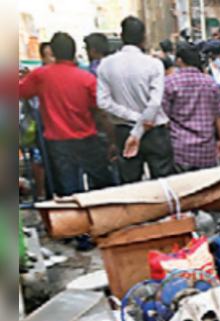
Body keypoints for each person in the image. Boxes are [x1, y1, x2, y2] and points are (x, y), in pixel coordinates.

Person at [18, 32, 116, 195]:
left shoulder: (41, 76)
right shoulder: (87, 79)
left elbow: (20, 91)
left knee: (69, 191)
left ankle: (73, 219)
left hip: (58, 143)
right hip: (87, 140)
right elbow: (102, 111)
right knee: (103, 185)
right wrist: (112, 140)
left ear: (54, 53)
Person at [97, 16, 176, 183]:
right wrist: (141, 123)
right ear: (144, 38)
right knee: (164, 185)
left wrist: (134, 123)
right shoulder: (154, 64)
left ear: (121, 36)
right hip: (154, 129)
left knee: (131, 186)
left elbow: (103, 102)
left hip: (124, 129)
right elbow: (154, 103)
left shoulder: (106, 64)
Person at [161, 42, 220, 173]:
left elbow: (163, 116)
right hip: (206, 149)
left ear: (179, 60)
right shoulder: (210, 83)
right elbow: (219, 115)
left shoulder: (169, 83)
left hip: (180, 148)